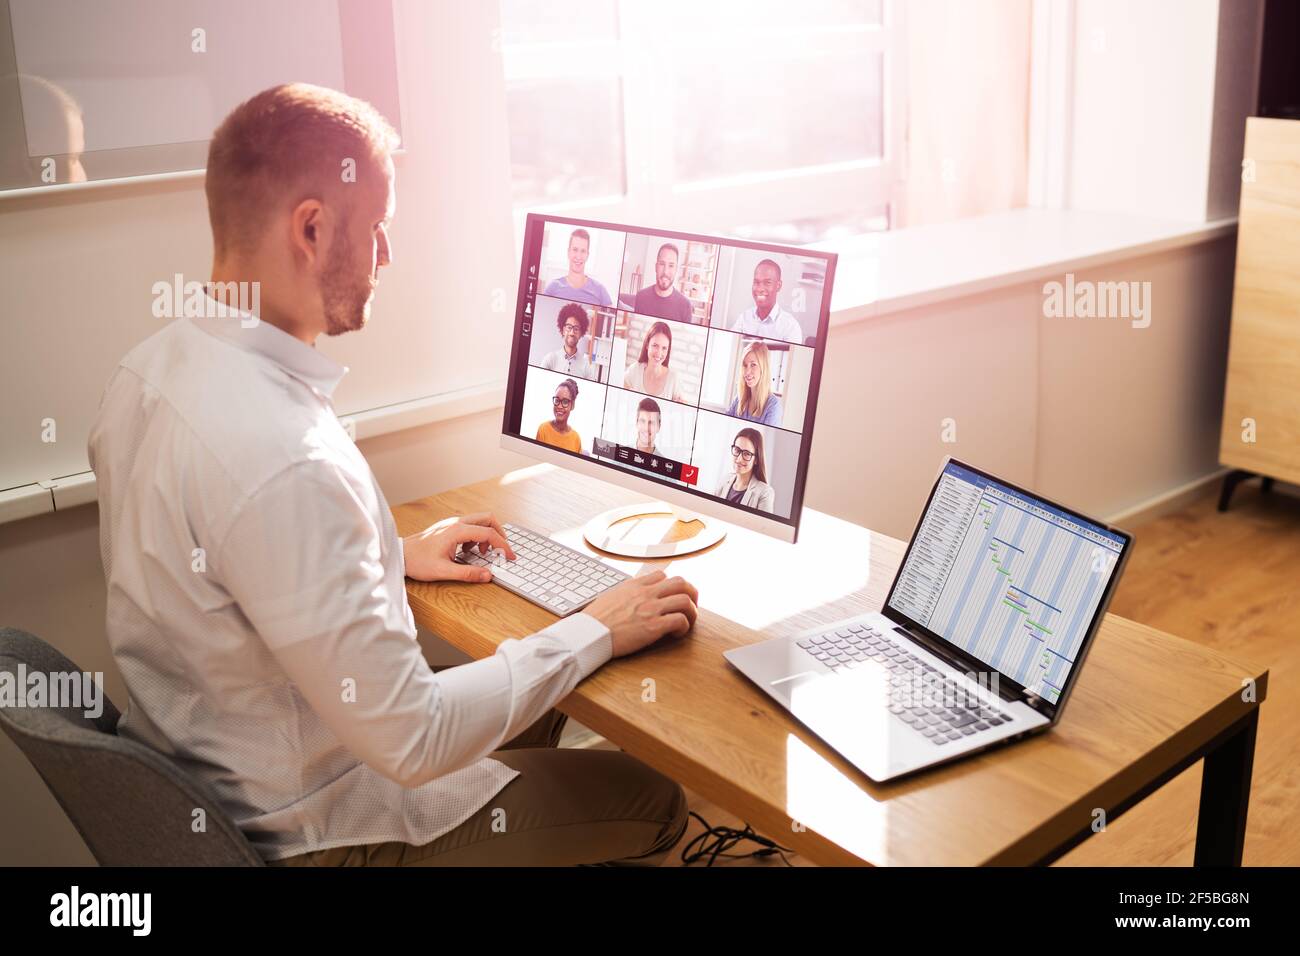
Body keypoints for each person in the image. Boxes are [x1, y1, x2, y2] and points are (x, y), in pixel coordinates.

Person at [87, 83, 698, 868]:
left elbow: (223, 561)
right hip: (312, 827)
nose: (387, 256)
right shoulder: (283, 454)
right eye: (378, 229)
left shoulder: (146, 373)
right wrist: (597, 627)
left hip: (204, 789)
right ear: (311, 228)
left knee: (542, 706)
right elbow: (416, 738)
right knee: (654, 796)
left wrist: (383, 553)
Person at [730, 258, 804, 345]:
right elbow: (730, 344)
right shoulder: (744, 318)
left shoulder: (790, 327)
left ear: (778, 286)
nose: (760, 289)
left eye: (767, 282)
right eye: (756, 282)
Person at [617, 242, 693, 323]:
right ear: (656, 267)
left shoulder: (686, 306)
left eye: (671, 265)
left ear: (676, 269)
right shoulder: (641, 297)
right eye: (662, 264)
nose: (665, 272)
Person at [543, 228, 612, 305]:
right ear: (568, 252)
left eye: (583, 251)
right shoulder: (553, 287)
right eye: (575, 250)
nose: (578, 256)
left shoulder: (600, 290)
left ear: (587, 255)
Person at [715, 428, 776, 513]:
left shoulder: (765, 493)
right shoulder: (725, 479)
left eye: (747, 454)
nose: (739, 459)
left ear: (756, 460)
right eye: (737, 450)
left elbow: (763, 525)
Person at [623, 321, 683, 402]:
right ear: (647, 345)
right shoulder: (635, 370)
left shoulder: (673, 378)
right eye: (655, 345)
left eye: (664, 348)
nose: (659, 353)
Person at [725, 340, 782, 426]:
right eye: (745, 365)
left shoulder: (773, 406)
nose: (747, 372)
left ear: (764, 368)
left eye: (753, 365)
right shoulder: (738, 399)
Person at [540, 303, 597, 380]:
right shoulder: (550, 359)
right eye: (569, 327)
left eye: (576, 329)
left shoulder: (586, 366)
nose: (572, 333)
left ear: (581, 333)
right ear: (563, 330)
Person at [536, 378, 583, 452]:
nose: (559, 406)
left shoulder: (576, 439)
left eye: (565, 402)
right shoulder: (543, 429)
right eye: (557, 400)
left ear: (572, 405)